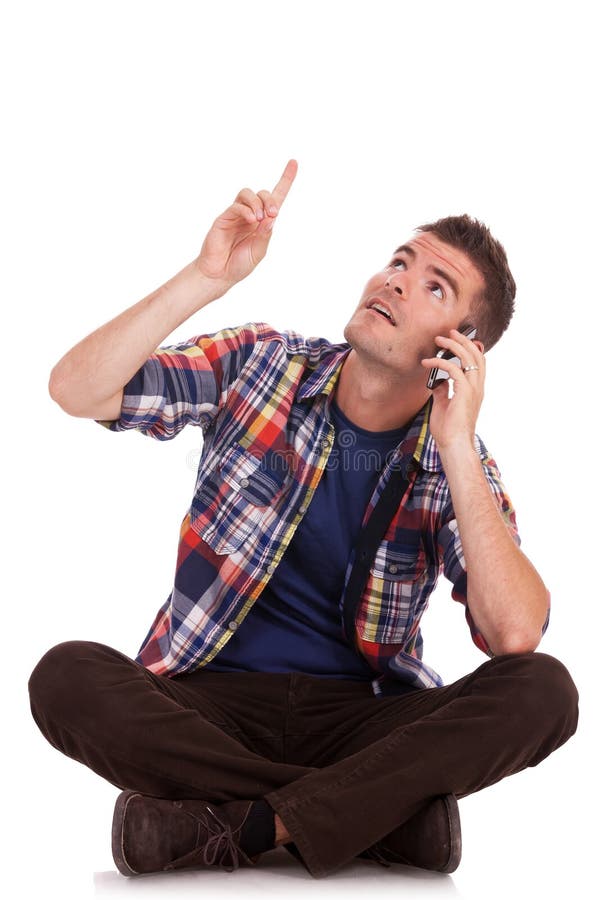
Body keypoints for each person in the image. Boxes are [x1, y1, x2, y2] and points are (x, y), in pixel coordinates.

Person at [28, 160, 578, 879]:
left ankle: (237, 825)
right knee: (65, 677)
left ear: (461, 349)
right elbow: (76, 390)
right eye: (398, 263)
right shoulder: (262, 364)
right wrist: (207, 277)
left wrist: (456, 444)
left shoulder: (456, 461)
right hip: (209, 703)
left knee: (545, 692)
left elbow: (515, 633)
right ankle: (366, 818)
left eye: (432, 287)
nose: (395, 281)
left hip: (361, 721)